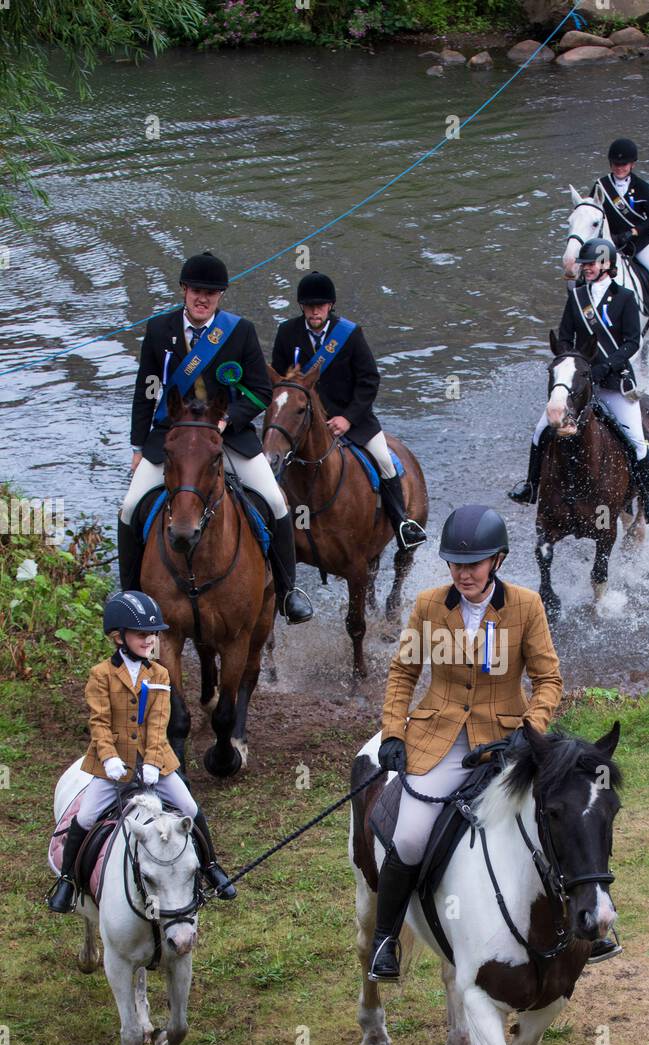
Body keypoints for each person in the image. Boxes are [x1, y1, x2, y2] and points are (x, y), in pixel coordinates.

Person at [368, 504, 617, 981]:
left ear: (497, 561)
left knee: (564, 817)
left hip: (508, 743)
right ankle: (385, 940)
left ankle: (593, 924)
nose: (463, 573)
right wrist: (394, 731)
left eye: (474, 564)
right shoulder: (427, 606)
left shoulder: (526, 606)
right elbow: (403, 673)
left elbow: (548, 680)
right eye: (456, 564)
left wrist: (527, 729)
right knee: (411, 835)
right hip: (440, 741)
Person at [121, 250, 312, 624]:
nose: (202, 298)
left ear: (220, 295)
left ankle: (289, 592)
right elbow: (146, 390)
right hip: (171, 439)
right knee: (130, 508)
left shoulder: (239, 331)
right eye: (196, 290)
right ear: (183, 290)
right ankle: (130, 600)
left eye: (211, 292)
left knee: (275, 501)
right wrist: (138, 447)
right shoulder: (160, 329)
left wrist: (228, 420)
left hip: (228, 438)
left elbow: (259, 390)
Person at [47, 591, 235, 914]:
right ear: (119, 637)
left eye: (153, 634)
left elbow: (159, 721)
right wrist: (108, 758)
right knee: (87, 816)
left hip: (155, 763)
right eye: (142, 634)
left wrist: (150, 763)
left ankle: (211, 866)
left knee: (190, 806)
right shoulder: (100, 675)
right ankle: (67, 880)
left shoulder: (160, 674)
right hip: (113, 766)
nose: (150, 640)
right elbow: (100, 722)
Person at [509, 237, 649, 524]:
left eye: (591, 263)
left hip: (614, 382)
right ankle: (530, 486)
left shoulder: (626, 299)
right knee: (541, 429)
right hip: (579, 384)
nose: (586, 268)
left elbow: (632, 342)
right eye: (585, 264)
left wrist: (606, 366)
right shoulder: (577, 298)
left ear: (607, 264)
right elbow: (566, 335)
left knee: (638, 441)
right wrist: (572, 362)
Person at [271, 272, 427, 552]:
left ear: (330, 305)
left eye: (320, 305)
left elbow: (369, 380)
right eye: (309, 305)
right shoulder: (287, 333)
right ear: (301, 306)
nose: (314, 310)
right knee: (276, 465)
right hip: (305, 423)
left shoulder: (350, 334)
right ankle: (275, 529)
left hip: (352, 420)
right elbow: (281, 384)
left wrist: (348, 418)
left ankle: (401, 523)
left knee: (385, 461)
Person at [590, 138, 649, 341]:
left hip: (640, 243)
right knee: (585, 276)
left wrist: (635, 231)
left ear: (632, 164)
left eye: (624, 164)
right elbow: (592, 212)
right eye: (616, 164)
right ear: (611, 164)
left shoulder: (642, 187)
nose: (620, 168)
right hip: (610, 244)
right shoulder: (600, 186)